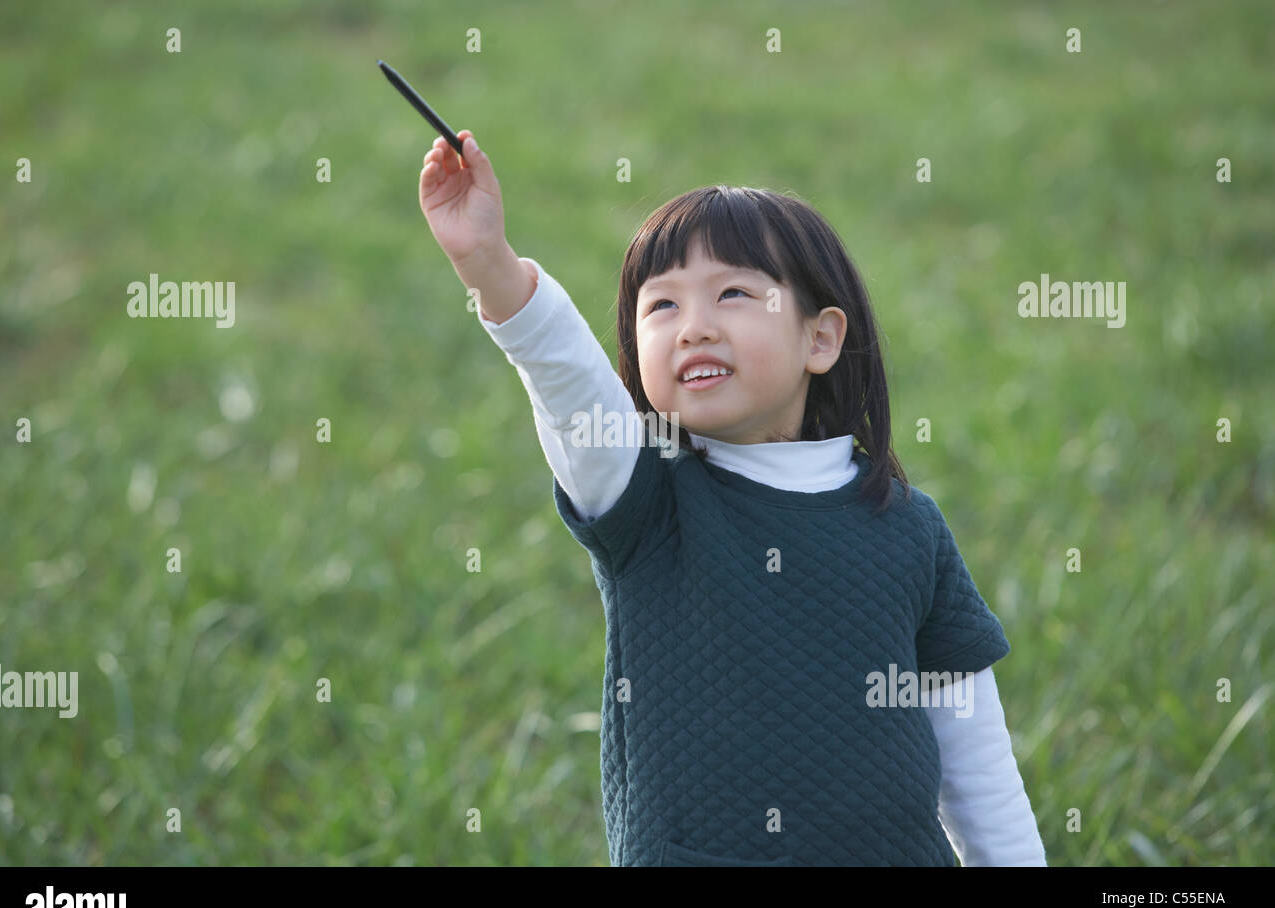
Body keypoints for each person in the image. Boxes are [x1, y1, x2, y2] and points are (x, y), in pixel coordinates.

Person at [419, 130, 1047, 866]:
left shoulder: (909, 527)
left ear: (821, 339)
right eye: (660, 308)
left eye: (734, 294)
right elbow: (565, 379)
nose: (695, 328)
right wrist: (488, 262)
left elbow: (976, 762)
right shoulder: (644, 498)